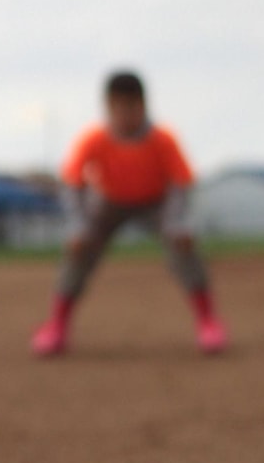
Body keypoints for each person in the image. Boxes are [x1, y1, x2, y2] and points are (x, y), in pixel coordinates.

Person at [31, 70, 228, 355]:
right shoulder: (94, 139)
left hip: (156, 202)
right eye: (117, 107)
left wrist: (178, 225)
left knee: (183, 246)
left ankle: (208, 322)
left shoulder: (163, 139)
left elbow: (180, 186)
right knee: (78, 251)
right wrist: (79, 228)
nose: (124, 114)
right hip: (108, 202)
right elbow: (73, 185)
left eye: (131, 107)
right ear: (107, 107)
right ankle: (57, 326)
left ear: (144, 106)